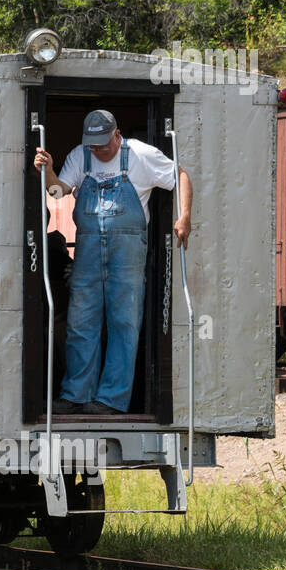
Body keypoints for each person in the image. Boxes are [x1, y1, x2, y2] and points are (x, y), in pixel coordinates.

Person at [34, 109, 192, 416]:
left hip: (127, 254)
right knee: (81, 324)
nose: (98, 149)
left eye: (103, 144)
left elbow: (181, 176)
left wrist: (184, 216)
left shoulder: (142, 155)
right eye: (93, 144)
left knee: (124, 324)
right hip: (88, 252)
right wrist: (48, 171)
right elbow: (57, 192)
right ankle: (76, 395)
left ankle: (111, 400)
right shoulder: (80, 156)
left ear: (117, 135)